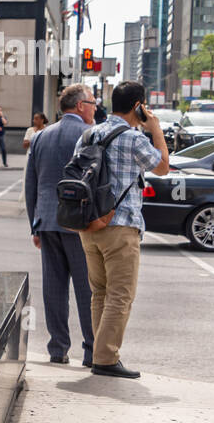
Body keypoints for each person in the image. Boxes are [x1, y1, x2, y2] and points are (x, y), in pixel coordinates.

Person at [74, 80, 170, 379]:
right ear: (138, 105)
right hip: (121, 225)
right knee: (121, 295)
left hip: (89, 224)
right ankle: (106, 358)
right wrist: (155, 128)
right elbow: (163, 167)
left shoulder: (89, 133)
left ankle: (98, 354)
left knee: (100, 292)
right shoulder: (133, 138)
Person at [24, 85, 97, 367]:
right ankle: (91, 351)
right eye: (92, 102)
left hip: (46, 221)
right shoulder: (89, 135)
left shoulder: (41, 136)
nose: (95, 107)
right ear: (80, 106)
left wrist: (35, 225)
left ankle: (58, 348)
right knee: (86, 289)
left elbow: (31, 184)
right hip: (78, 223)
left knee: (54, 287)